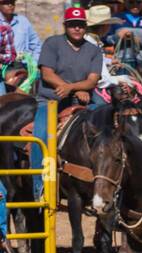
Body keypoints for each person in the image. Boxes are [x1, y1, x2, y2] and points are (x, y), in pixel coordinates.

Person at [34, 7, 101, 200]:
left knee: (104, 130)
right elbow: (47, 74)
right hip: (50, 99)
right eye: (72, 25)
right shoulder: (52, 43)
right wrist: (70, 87)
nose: (77, 29)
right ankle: (39, 186)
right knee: (41, 138)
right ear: (65, 26)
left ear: (86, 27)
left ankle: (101, 184)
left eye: (80, 25)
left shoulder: (94, 50)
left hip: (81, 99)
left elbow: (92, 80)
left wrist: (71, 88)